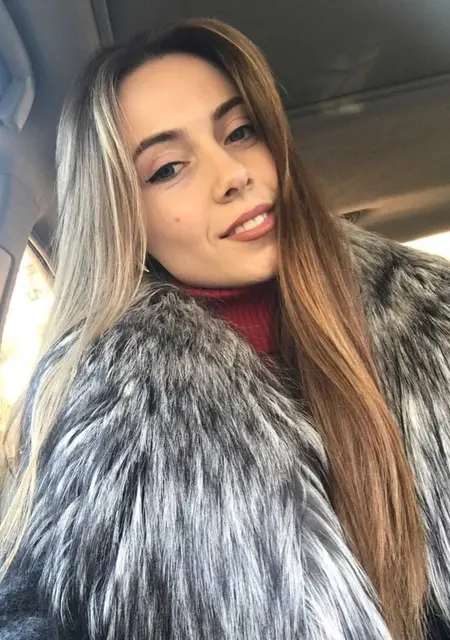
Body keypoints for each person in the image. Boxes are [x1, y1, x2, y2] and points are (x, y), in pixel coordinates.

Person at [0, 16, 449, 640]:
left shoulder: (433, 322)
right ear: (124, 217)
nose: (233, 173)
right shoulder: (102, 427)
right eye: (168, 168)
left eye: (240, 132)